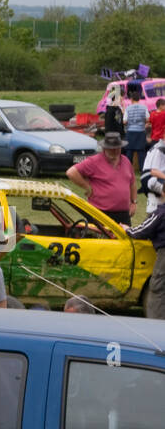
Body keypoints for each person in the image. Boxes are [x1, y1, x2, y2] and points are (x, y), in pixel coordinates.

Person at [67, 132, 135, 224]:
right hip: (100, 213)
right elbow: (71, 172)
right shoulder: (94, 161)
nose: (114, 151)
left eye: (117, 148)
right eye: (111, 149)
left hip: (123, 215)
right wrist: (87, 187)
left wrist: (133, 202)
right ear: (104, 148)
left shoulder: (126, 161)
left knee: (125, 238)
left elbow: (132, 183)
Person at [124, 178, 165, 318]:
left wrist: (127, 230)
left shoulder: (161, 212)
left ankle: (156, 321)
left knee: (157, 286)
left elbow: (143, 230)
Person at [125, 87, 150, 173]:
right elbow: (147, 119)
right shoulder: (144, 107)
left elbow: (125, 121)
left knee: (129, 151)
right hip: (140, 132)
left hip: (130, 132)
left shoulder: (128, 108)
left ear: (131, 99)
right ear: (139, 99)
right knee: (141, 152)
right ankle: (142, 170)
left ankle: (127, 170)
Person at [142, 136, 165, 216]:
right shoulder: (158, 149)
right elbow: (153, 171)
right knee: (154, 214)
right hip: (151, 180)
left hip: (157, 181)